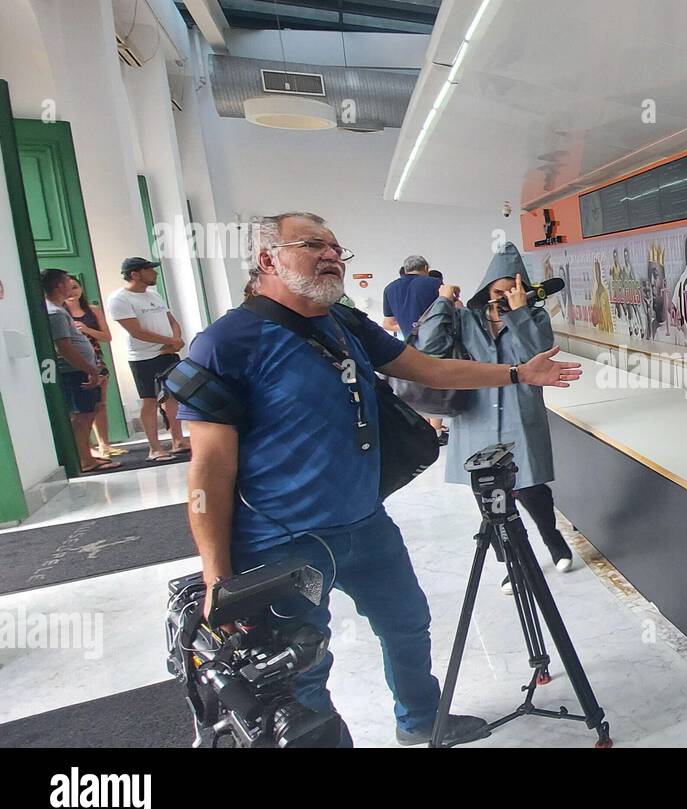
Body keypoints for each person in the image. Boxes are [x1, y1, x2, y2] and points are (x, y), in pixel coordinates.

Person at [177, 213, 581, 747]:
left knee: (408, 624)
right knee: (301, 661)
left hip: (365, 522)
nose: (331, 255)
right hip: (278, 540)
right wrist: (217, 576)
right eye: (313, 244)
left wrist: (517, 373)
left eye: (337, 247)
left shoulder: (343, 323)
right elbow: (209, 470)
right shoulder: (225, 344)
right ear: (267, 259)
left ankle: (419, 720)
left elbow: (427, 369)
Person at [421, 243, 575, 596]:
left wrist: (519, 314)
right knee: (489, 497)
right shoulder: (465, 319)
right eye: (498, 291)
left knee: (531, 487)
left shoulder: (533, 318)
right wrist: (443, 301)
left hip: (520, 414)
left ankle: (553, 540)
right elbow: (430, 347)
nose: (504, 297)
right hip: (477, 417)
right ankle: (514, 563)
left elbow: (537, 355)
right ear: (485, 289)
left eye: (512, 291)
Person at [106, 257, 187, 461]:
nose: (155, 273)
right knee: (149, 400)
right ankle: (155, 447)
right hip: (143, 356)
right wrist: (169, 340)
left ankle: (178, 439)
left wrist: (175, 340)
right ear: (134, 274)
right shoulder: (120, 299)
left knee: (172, 397)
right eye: (149, 270)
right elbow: (136, 331)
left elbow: (171, 320)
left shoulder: (154, 295)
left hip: (168, 352)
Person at [42, 269, 119, 473]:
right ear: (60, 285)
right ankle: (84, 460)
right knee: (82, 416)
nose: (71, 285)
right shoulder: (55, 312)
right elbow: (64, 347)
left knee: (90, 410)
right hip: (75, 372)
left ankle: (87, 456)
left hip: (81, 369)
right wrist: (89, 369)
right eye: (68, 281)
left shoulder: (60, 309)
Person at [382, 256, 447, 439]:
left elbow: (387, 322)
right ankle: (437, 431)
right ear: (425, 267)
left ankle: (425, 431)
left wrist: (407, 327)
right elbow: (454, 309)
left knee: (417, 388)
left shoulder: (390, 288)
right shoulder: (434, 284)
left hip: (408, 345)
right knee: (437, 386)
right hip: (435, 341)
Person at [63, 277, 124, 459]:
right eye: (69, 288)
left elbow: (106, 336)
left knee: (100, 403)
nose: (73, 292)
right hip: (74, 363)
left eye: (75, 287)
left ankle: (104, 443)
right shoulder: (60, 313)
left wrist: (87, 330)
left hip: (97, 360)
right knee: (81, 408)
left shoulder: (92, 310)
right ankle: (86, 447)